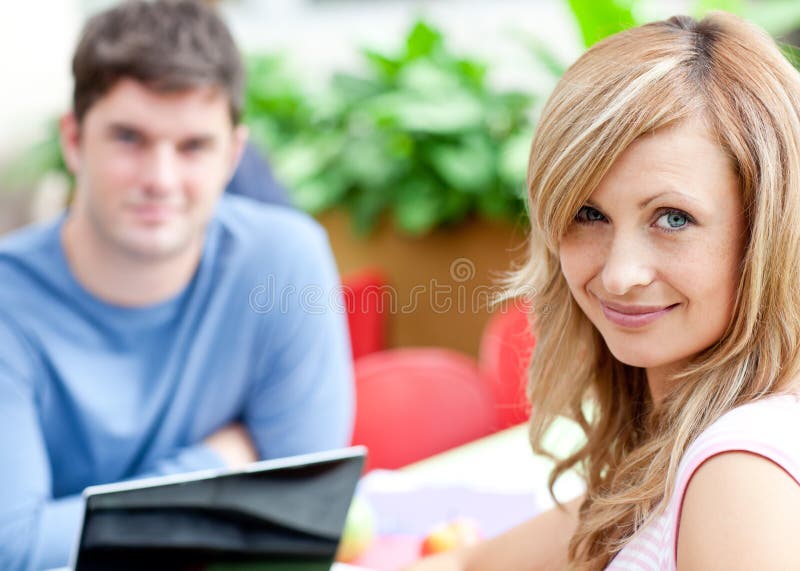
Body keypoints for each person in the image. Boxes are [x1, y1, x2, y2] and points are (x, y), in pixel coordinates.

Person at [408, 11, 800, 571]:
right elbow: (468, 565)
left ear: (766, 231)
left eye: (673, 218)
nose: (619, 275)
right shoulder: (671, 455)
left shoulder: (740, 473)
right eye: (588, 214)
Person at [0, 1, 354, 569]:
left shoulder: (284, 261)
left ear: (232, 155)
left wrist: (77, 523)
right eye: (129, 138)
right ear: (73, 140)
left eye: (193, 147)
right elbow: (15, 551)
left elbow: (303, 514)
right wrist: (222, 462)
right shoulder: (7, 302)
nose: (160, 180)